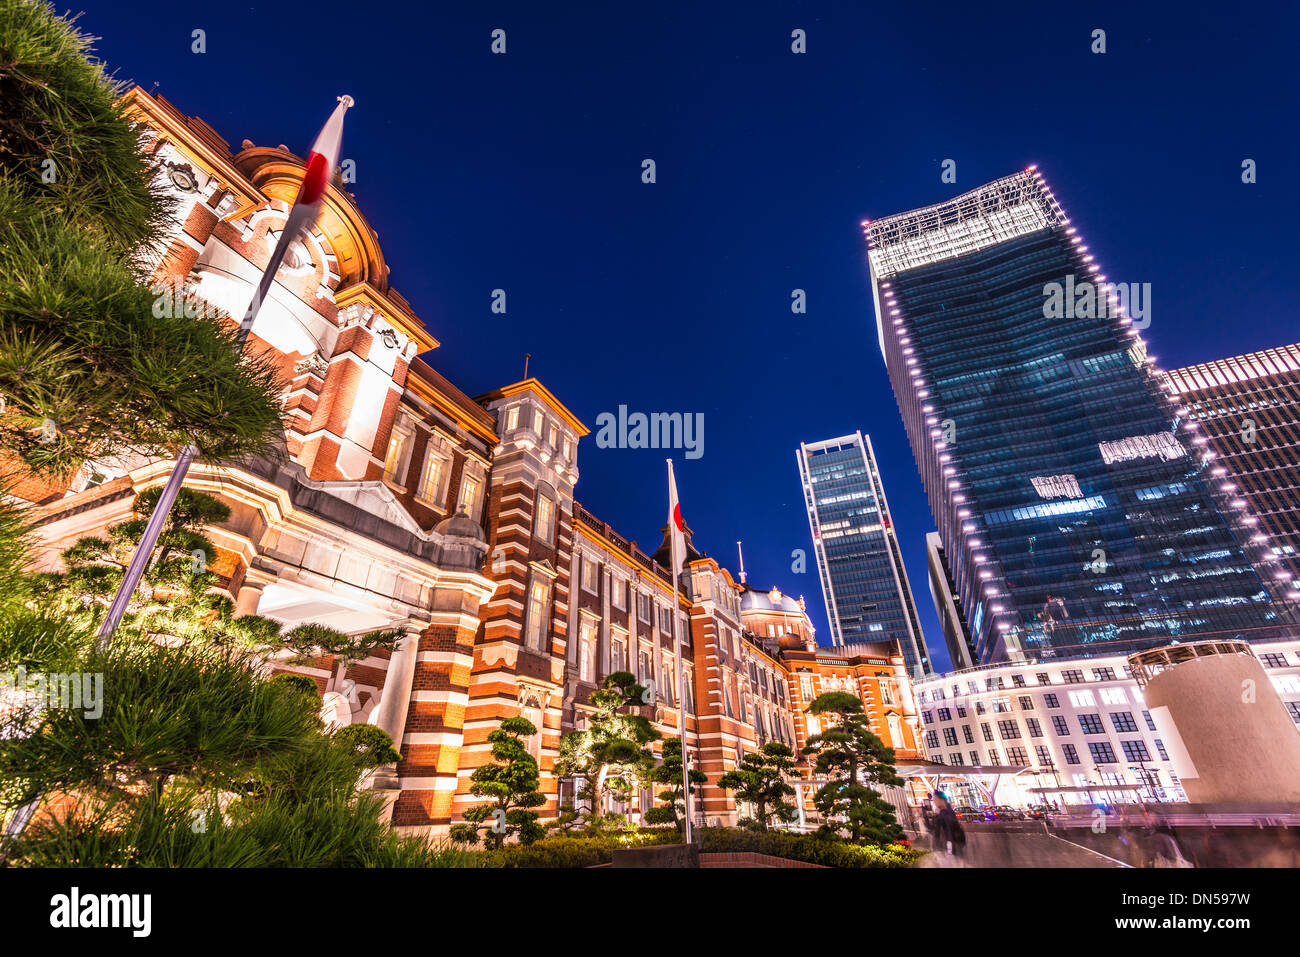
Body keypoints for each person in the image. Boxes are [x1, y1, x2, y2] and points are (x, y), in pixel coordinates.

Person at [931, 795, 967, 865]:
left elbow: (948, 830)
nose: (934, 802)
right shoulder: (946, 812)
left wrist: (948, 847)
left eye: (935, 799)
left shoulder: (945, 813)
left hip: (949, 844)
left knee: (953, 863)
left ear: (941, 800)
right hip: (950, 844)